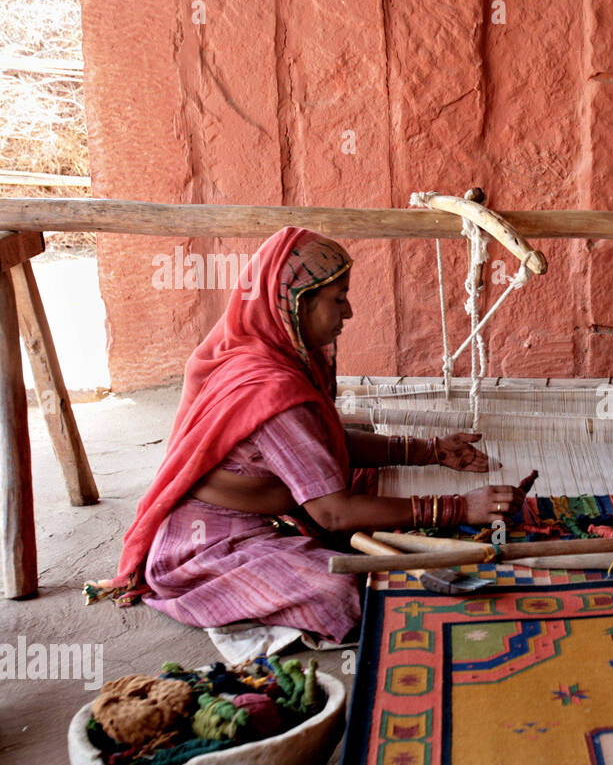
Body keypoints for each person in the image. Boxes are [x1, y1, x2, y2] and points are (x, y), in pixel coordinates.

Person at [85, 227, 524, 641]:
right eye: (339, 299)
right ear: (297, 304)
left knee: (368, 502)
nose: (348, 312)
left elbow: (321, 444)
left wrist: (428, 451)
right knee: (342, 591)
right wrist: (455, 508)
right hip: (212, 542)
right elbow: (333, 512)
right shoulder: (271, 390)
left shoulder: (273, 352)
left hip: (272, 508)